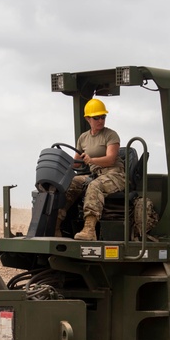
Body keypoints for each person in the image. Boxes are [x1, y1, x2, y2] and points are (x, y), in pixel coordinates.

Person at [61, 98, 125, 240]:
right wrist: (61, 162)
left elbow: (110, 159)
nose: (101, 120)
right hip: (95, 174)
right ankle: (56, 225)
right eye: (97, 117)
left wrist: (92, 160)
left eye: (103, 117)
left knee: (94, 186)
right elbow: (76, 163)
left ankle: (89, 230)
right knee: (70, 184)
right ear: (88, 119)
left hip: (115, 174)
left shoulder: (111, 135)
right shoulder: (83, 138)